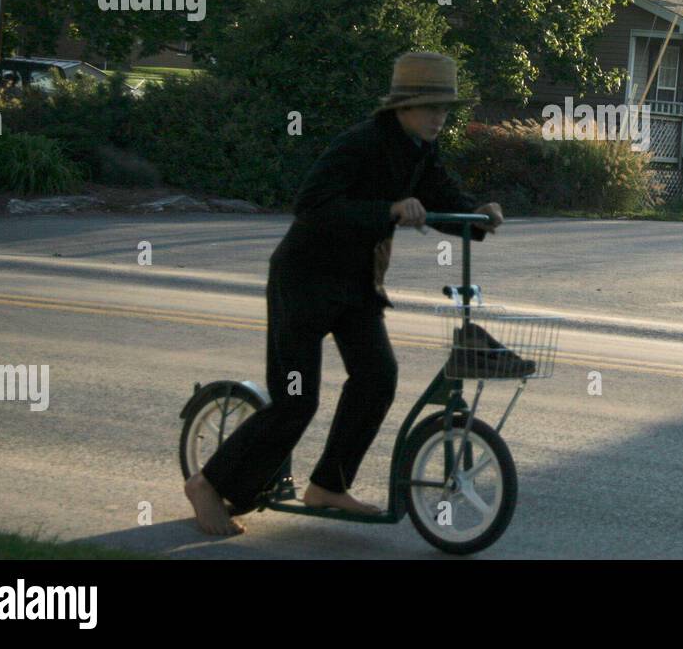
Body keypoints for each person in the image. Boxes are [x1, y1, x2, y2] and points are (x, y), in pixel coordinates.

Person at [184, 51, 503, 535]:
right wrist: (389, 209)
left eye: (446, 108)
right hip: (304, 283)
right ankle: (208, 485)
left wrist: (479, 215)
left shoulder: (421, 151)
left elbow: (443, 200)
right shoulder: (360, 143)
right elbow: (311, 206)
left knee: (378, 378)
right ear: (403, 107)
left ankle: (329, 485)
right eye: (431, 107)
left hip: (357, 286)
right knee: (297, 400)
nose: (440, 117)